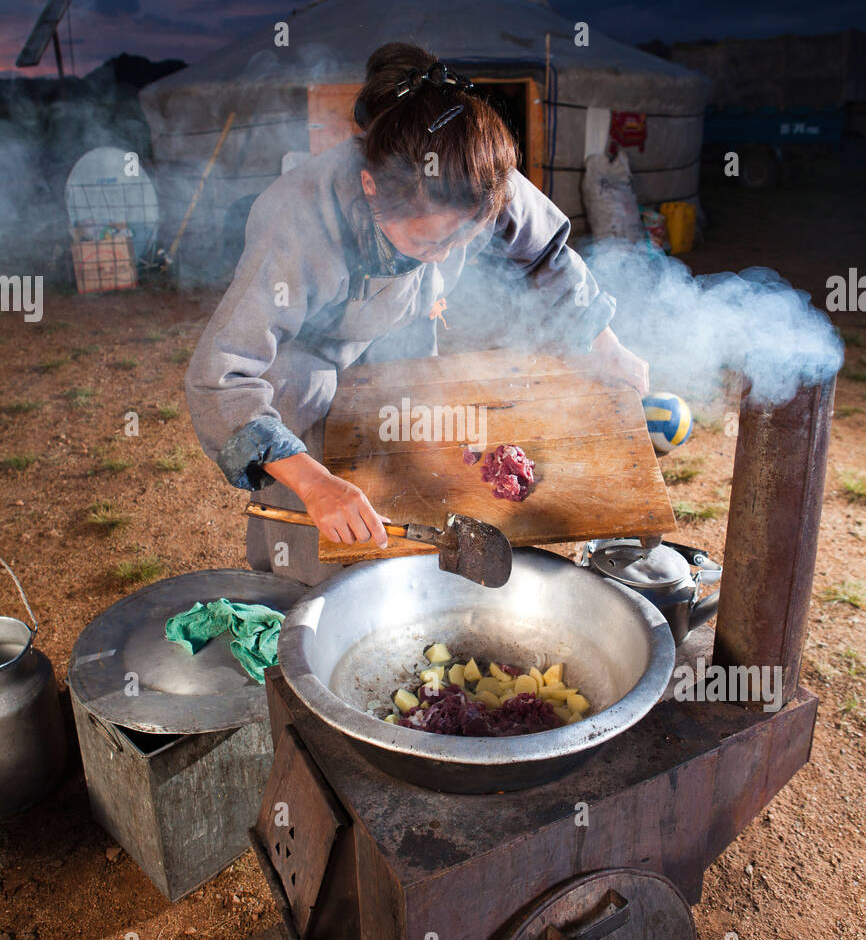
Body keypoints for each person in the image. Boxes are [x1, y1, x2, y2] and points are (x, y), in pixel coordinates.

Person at [186, 43, 649, 584]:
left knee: (415, 485)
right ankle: (299, 605)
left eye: (465, 236)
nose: (450, 254)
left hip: (403, 341)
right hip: (305, 367)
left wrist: (607, 344)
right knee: (319, 539)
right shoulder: (298, 220)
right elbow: (221, 377)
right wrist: (315, 485)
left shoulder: (481, 177)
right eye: (430, 241)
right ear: (370, 189)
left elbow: (546, 253)